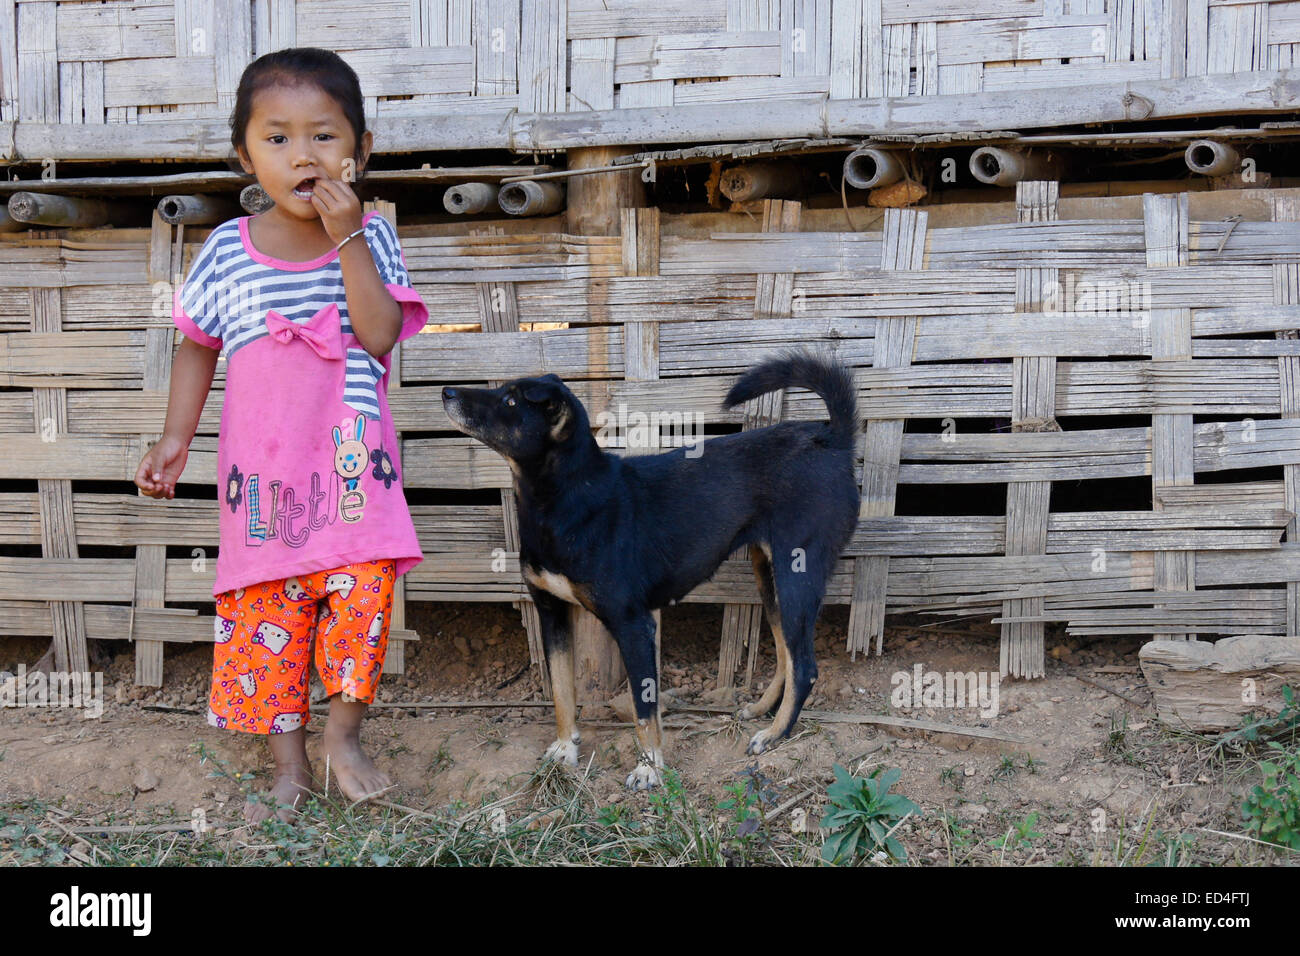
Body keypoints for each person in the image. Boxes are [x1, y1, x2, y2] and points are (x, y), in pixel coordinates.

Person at [134, 48, 427, 823]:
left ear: (360, 151)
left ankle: (343, 739)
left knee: (362, 598)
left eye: (325, 137)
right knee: (271, 618)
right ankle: (288, 764)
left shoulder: (371, 236)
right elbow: (197, 342)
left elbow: (379, 334)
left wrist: (349, 239)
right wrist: (175, 438)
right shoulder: (228, 249)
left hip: (353, 476)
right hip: (263, 484)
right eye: (277, 139)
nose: (303, 155)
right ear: (245, 156)